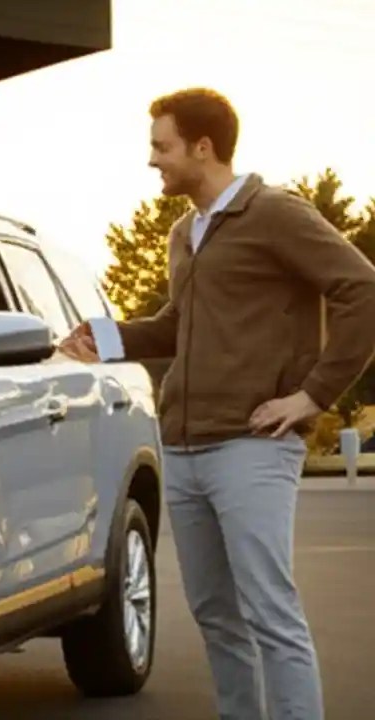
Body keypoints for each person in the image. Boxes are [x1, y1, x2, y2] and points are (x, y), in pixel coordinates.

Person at [60, 87, 375, 720]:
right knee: (214, 615)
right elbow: (181, 324)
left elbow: (362, 290)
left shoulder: (275, 213)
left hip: (251, 446)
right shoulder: (185, 232)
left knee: (269, 611)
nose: (153, 160)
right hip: (184, 446)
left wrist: (311, 395)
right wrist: (109, 337)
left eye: (162, 146)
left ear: (204, 148)